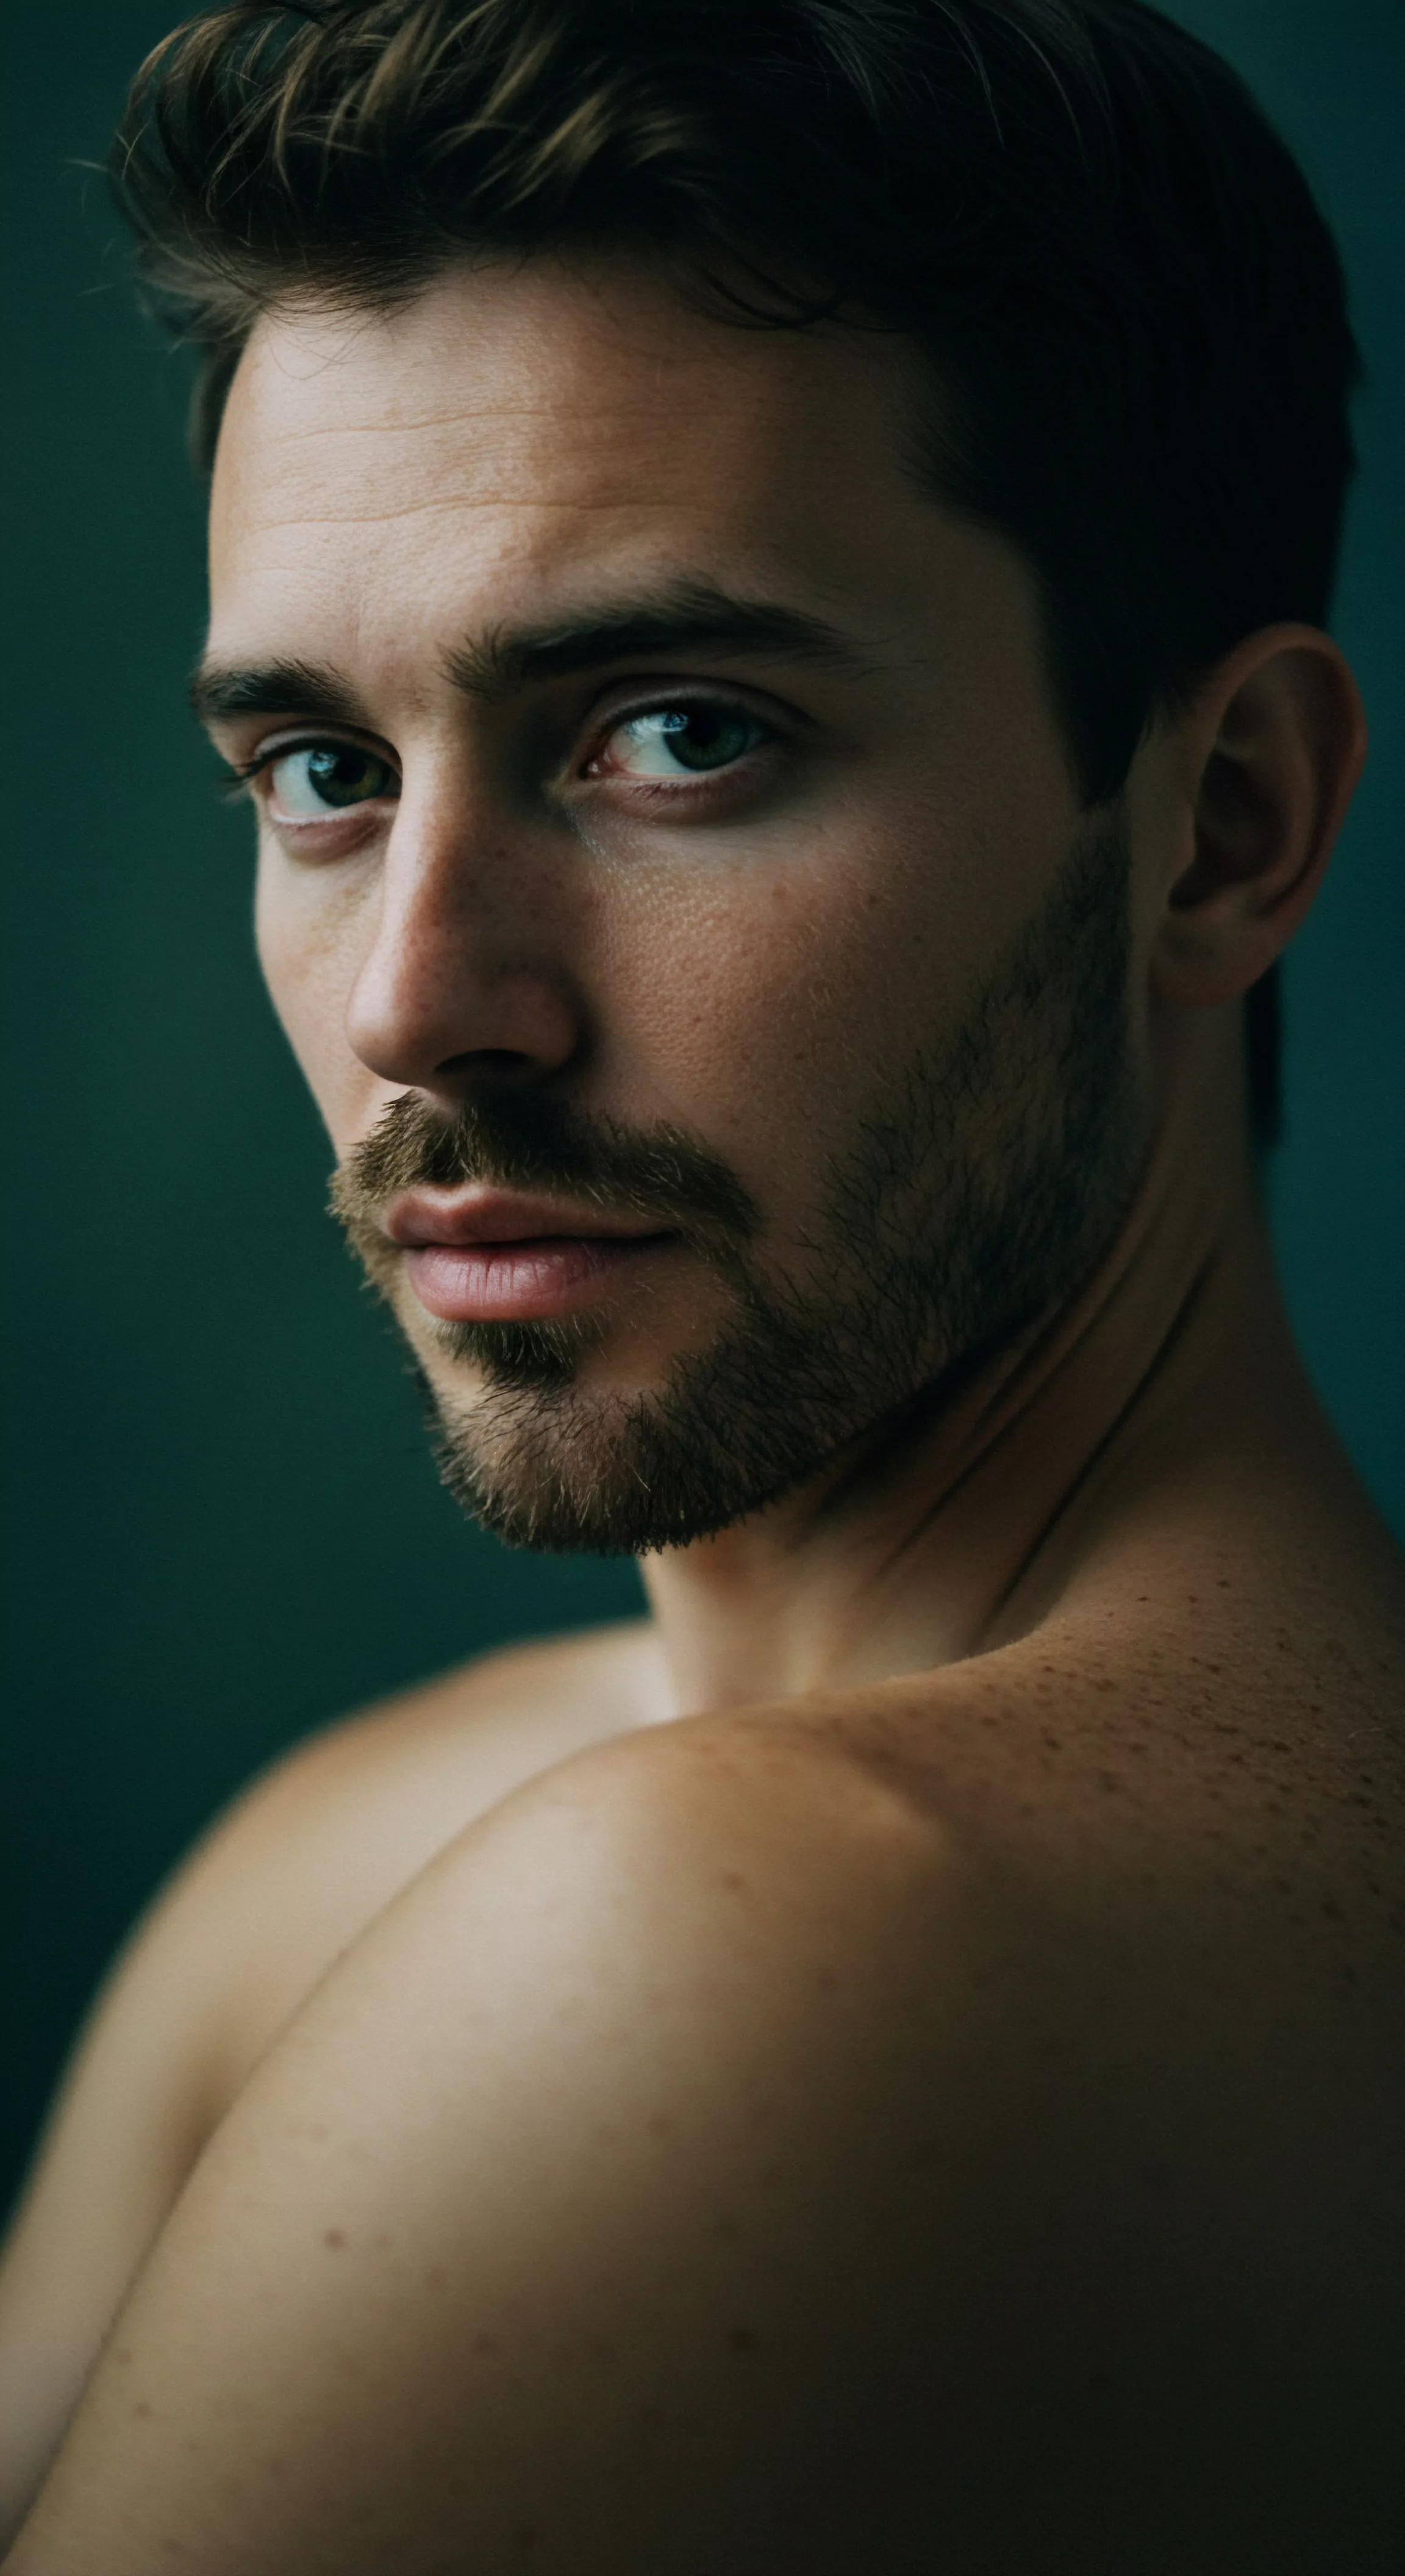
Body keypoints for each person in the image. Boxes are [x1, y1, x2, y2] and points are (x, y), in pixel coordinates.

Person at [1, 0, 1401, 2563]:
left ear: (1221, 824)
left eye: (676, 733)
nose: (421, 999)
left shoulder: (717, 1939)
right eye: (320, 773)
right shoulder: (376, 1845)